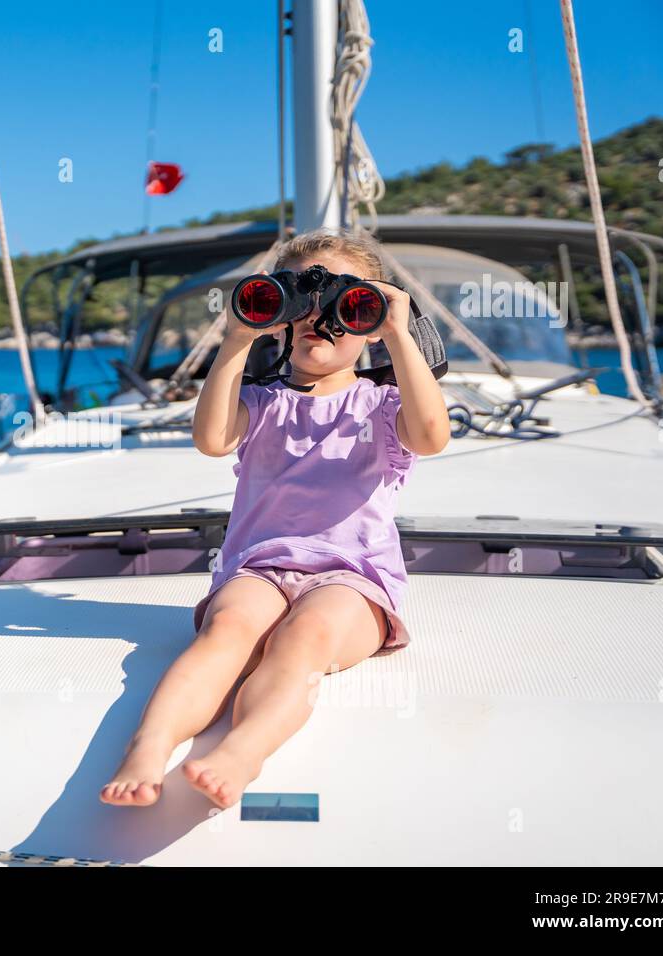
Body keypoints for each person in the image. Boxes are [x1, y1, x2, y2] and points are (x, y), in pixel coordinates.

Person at [101, 229, 450, 810]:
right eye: (302, 302)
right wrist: (237, 335)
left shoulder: (383, 406)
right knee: (228, 630)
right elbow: (212, 439)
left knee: (306, 637)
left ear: (368, 318)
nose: (321, 319)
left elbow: (432, 436)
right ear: (281, 315)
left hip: (352, 580)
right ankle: (148, 745)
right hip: (260, 570)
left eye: (346, 304)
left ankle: (243, 751)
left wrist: (399, 330)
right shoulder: (262, 403)